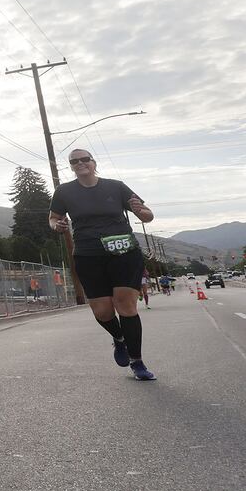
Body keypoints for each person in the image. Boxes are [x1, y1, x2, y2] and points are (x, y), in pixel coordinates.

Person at [49, 148, 156, 381]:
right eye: (74, 161)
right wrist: (57, 225)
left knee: (126, 306)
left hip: (124, 251)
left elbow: (148, 215)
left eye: (84, 159)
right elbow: (53, 217)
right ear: (71, 166)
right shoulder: (64, 191)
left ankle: (137, 363)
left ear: (93, 162)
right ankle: (119, 340)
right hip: (88, 254)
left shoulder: (116, 186)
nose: (80, 163)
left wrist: (141, 211)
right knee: (103, 311)